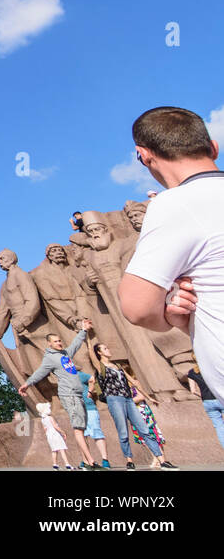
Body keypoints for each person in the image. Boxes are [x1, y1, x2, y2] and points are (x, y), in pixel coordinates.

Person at [119, 106, 224, 402]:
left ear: (144, 155)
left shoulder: (175, 204)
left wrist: (170, 316)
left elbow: (137, 305)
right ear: (213, 148)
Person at [82, 335, 178, 469]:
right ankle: (129, 461)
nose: (108, 350)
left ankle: (162, 461)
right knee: (123, 432)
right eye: (105, 348)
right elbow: (91, 355)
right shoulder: (101, 368)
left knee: (144, 429)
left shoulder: (117, 366)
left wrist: (148, 397)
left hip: (128, 399)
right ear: (99, 353)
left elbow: (133, 382)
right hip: (114, 400)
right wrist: (86, 336)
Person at [18, 321, 100, 469]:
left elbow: (75, 344)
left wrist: (83, 330)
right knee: (78, 428)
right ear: (49, 344)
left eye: (59, 340)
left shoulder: (65, 354)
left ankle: (87, 462)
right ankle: (91, 462)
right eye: (55, 341)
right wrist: (27, 384)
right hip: (68, 394)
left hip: (78, 393)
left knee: (81, 427)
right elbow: (40, 372)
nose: (59, 343)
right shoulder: (50, 358)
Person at [184, 363, 224, 450]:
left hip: (207, 402)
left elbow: (193, 391)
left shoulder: (191, 372)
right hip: (220, 398)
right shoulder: (213, 367)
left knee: (219, 428)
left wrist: (203, 396)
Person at [77, 371, 110, 468]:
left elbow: (93, 379)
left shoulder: (78, 374)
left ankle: (105, 460)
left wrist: (90, 391)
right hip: (76, 409)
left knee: (96, 432)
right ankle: (86, 460)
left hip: (88, 408)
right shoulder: (63, 378)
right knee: (81, 435)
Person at [36, 402, 73, 469]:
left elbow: (45, 429)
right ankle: (67, 465)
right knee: (62, 449)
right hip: (55, 434)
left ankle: (55, 465)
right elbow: (55, 426)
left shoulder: (42, 420)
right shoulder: (50, 417)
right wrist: (62, 432)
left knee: (54, 450)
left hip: (49, 435)